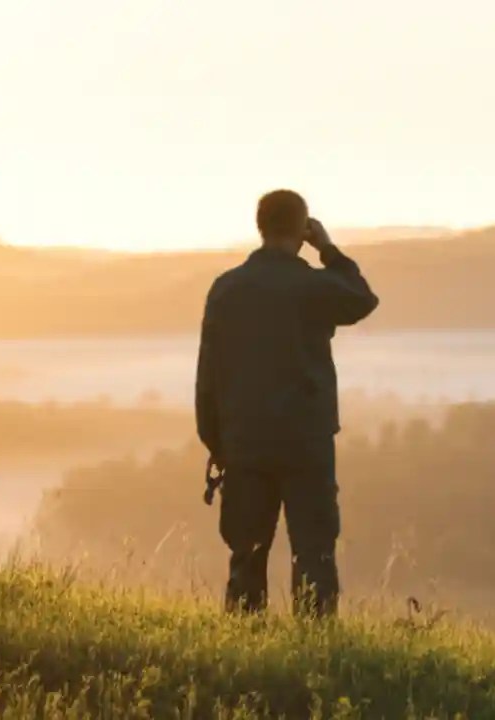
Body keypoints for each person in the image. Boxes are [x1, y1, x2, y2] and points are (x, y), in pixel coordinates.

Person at [194, 189, 379, 616]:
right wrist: (328, 249)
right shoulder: (312, 286)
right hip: (305, 443)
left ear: (259, 226)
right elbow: (362, 299)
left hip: (245, 442)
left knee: (246, 556)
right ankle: (314, 654)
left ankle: (244, 654)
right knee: (314, 555)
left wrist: (217, 443)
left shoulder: (225, 290)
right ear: (302, 228)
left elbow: (208, 377)